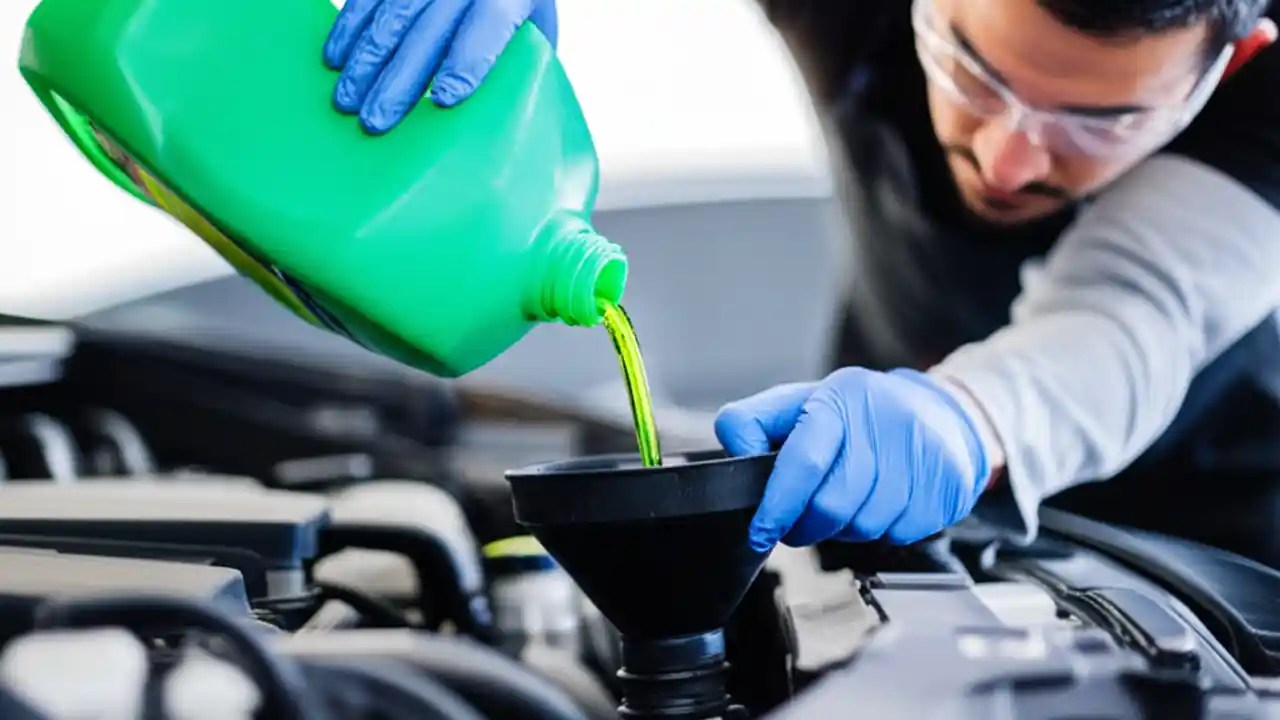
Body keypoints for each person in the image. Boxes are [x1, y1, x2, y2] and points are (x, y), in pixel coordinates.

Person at [321, 0, 1280, 556]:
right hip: (867, 461)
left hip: (1209, 541)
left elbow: (1131, 316)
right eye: (972, 72)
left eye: (1099, 121)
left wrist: (967, 419)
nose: (1007, 158)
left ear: (1234, 61)